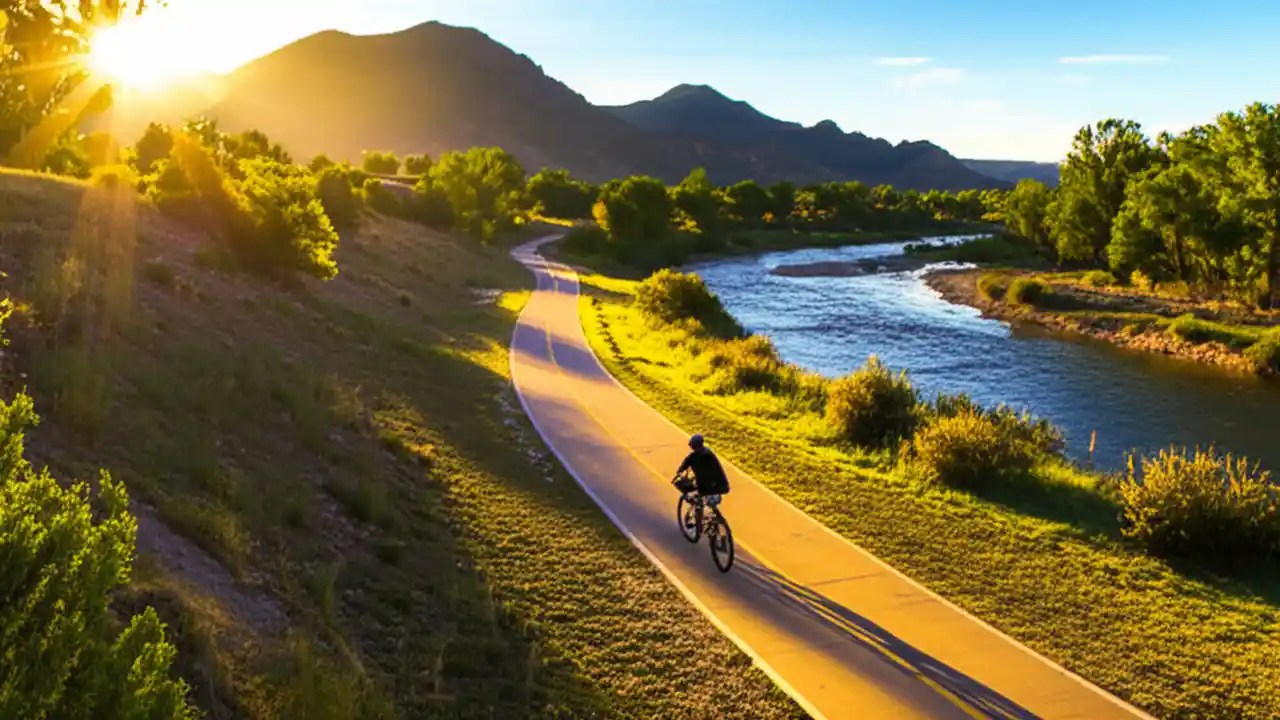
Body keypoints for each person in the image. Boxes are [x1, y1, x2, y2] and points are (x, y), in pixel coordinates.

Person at [673, 434, 730, 503]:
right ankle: (700, 507)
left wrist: (679, 472)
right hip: (711, 483)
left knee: (696, 493)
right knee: (698, 493)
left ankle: (699, 507)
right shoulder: (706, 454)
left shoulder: (701, 456)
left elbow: (686, 463)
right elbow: (686, 463)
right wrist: (680, 471)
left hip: (712, 484)